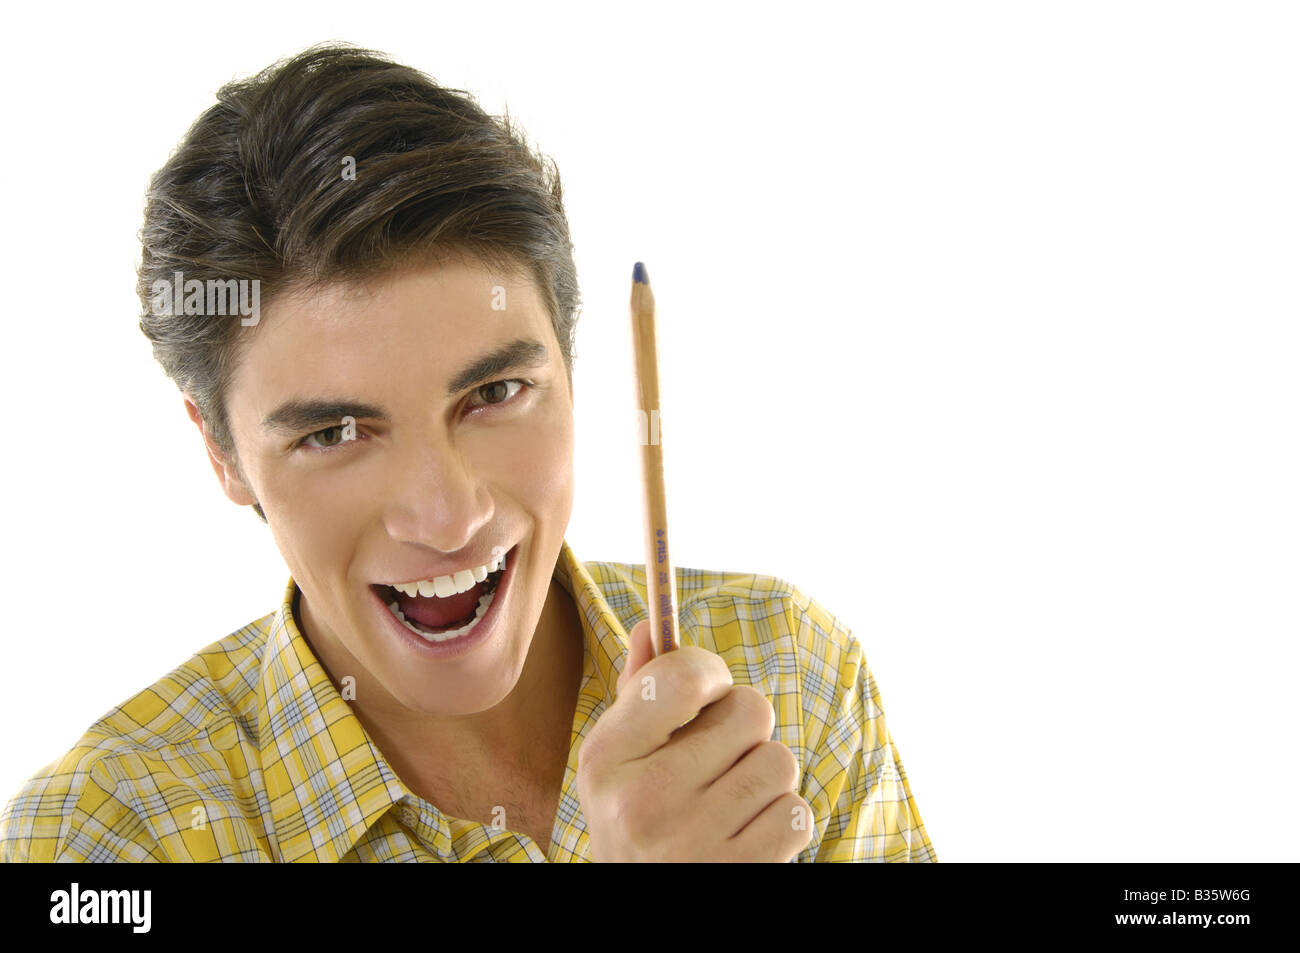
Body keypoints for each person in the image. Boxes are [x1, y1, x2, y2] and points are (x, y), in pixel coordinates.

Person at [0, 44, 935, 862]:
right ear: (224, 453)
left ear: (570, 368)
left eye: (493, 394)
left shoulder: (792, 676)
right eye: (333, 434)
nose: (450, 519)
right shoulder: (104, 837)